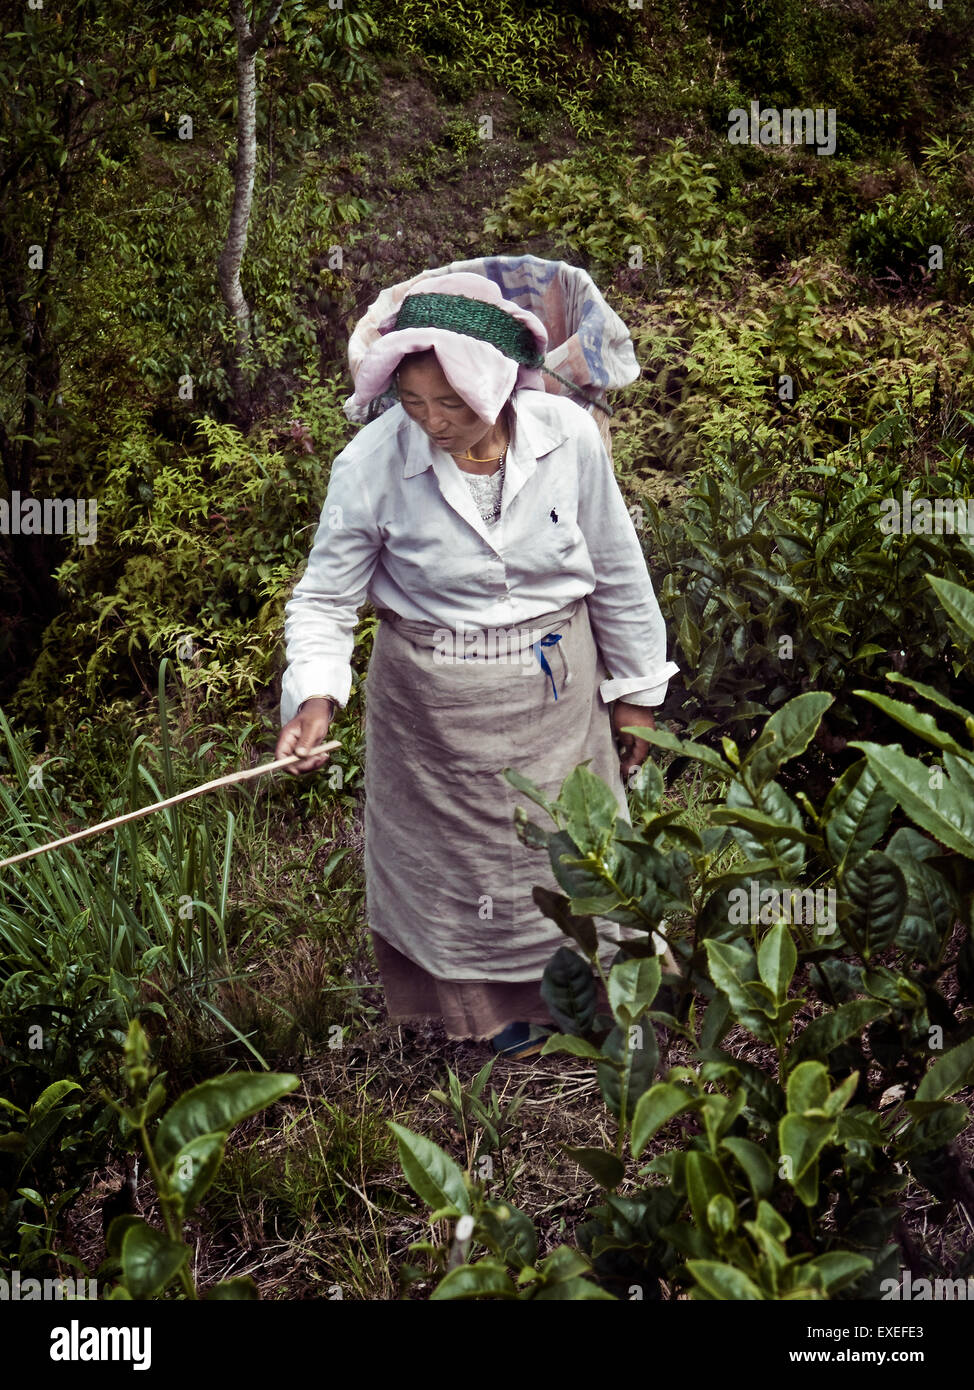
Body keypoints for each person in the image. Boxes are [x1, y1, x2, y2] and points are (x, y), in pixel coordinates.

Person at [276, 271, 678, 1060]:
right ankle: (494, 1016)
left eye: (452, 403)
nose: (433, 422)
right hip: (436, 715)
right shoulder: (371, 465)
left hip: (557, 701)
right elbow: (324, 599)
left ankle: (603, 997)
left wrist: (636, 692)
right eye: (413, 402)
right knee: (466, 871)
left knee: (573, 845)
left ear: (495, 384)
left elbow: (616, 567)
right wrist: (315, 698)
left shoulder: (568, 437)